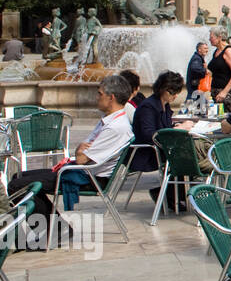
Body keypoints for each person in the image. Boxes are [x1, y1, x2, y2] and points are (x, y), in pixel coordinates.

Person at [9, 75, 135, 228]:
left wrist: (80, 152)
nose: (96, 98)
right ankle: (55, 227)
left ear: (111, 98)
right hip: (83, 171)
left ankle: (54, 230)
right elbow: (82, 151)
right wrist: (80, 151)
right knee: (19, 177)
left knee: (17, 185)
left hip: (89, 178)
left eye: (100, 94)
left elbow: (82, 158)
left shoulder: (116, 127)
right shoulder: (110, 120)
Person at [131, 71, 191, 183]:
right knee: (187, 157)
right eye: (173, 92)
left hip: (160, 149)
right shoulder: (148, 106)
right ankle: (173, 193)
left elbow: (163, 127)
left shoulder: (164, 104)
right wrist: (176, 129)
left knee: (189, 153)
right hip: (147, 153)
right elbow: (148, 134)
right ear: (163, 89)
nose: (176, 95)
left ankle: (175, 192)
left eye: (177, 92)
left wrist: (174, 126)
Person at [207, 29, 231, 107]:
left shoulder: (228, 51)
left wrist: (225, 92)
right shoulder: (217, 51)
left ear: (219, 37)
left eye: (211, 37)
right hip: (217, 92)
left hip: (229, 94)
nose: (209, 39)